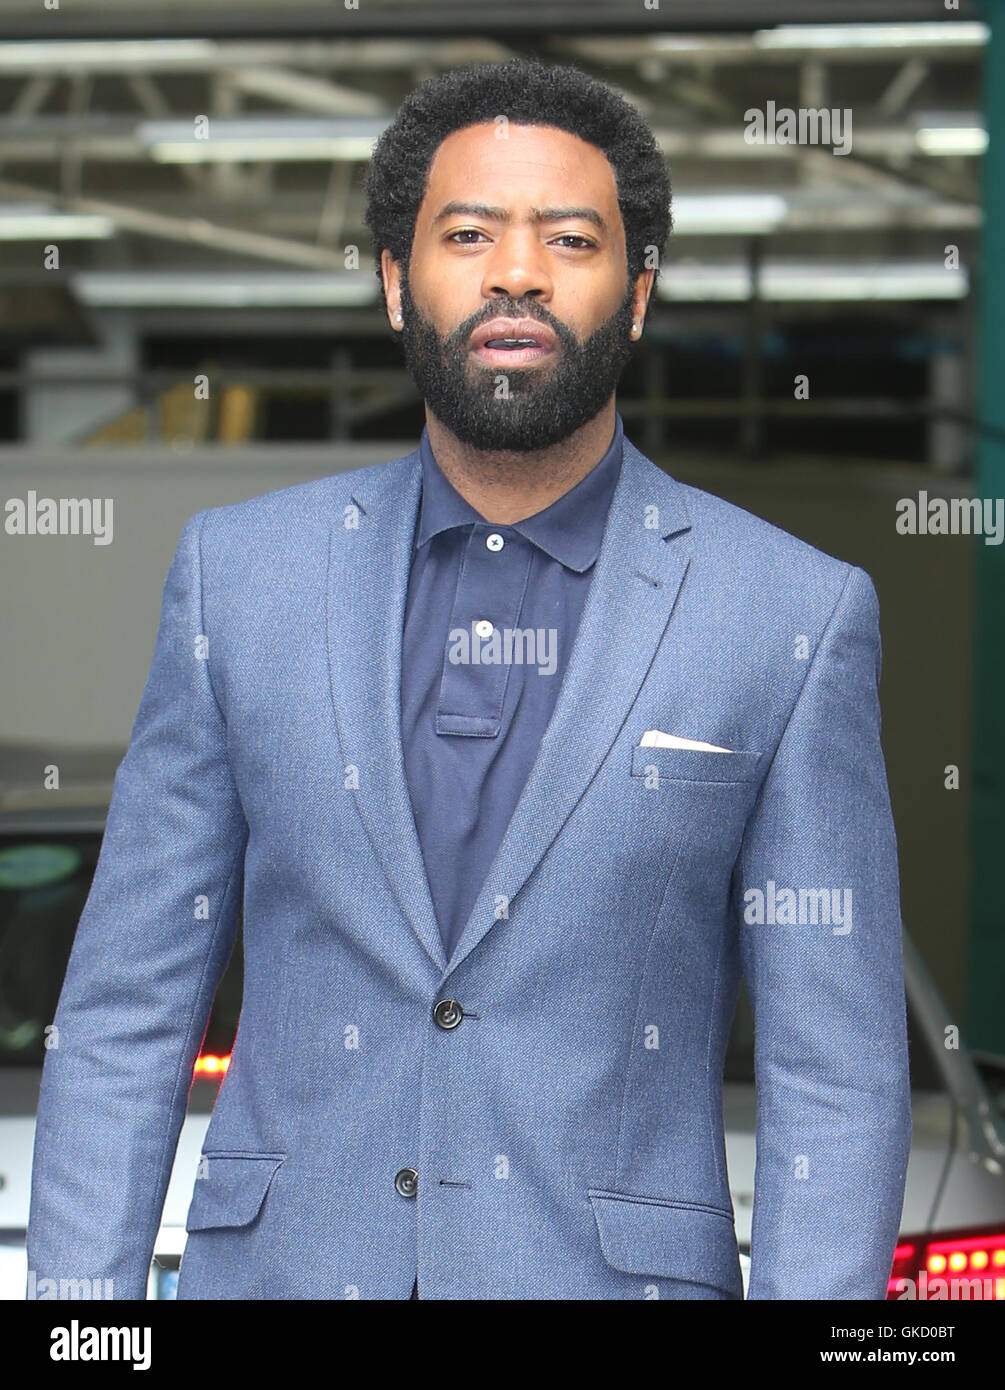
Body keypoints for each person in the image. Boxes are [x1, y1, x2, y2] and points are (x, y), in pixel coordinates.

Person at [26, 57, 910, 1301]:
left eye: (570, 238)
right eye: (469, 233)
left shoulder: (791, 615)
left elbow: (837, 1070)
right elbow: (125, 1010)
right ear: (396, 283)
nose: (516, 272)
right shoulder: (241, 579)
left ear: (639, 294)